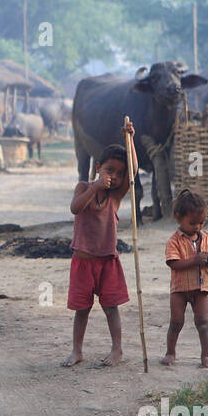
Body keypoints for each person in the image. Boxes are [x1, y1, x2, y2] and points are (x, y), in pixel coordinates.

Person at [63, 125, 135, 367]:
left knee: (111, 307)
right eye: (109, 170)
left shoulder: (115, 198)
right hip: (82, 262)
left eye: (118, 173)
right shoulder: (84, 188)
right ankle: (77, 351)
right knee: (81, 309)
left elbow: (133, 172)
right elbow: (75, 208)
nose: (113, 177)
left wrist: (130, 140)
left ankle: (117, 350)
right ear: (97, 168)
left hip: (107, 261)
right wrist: (95, 186)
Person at [161, 189, 208, 368]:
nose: (197, 227)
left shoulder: (206, 238)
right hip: (179, 289)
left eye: (201, 222)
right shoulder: (174, 241)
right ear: (179, 217)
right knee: (176, 322)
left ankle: (206, 355)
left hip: (201, 288)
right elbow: (173, 264)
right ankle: (170, 352)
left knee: (203, 322)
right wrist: (195, 260)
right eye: (193, 223)